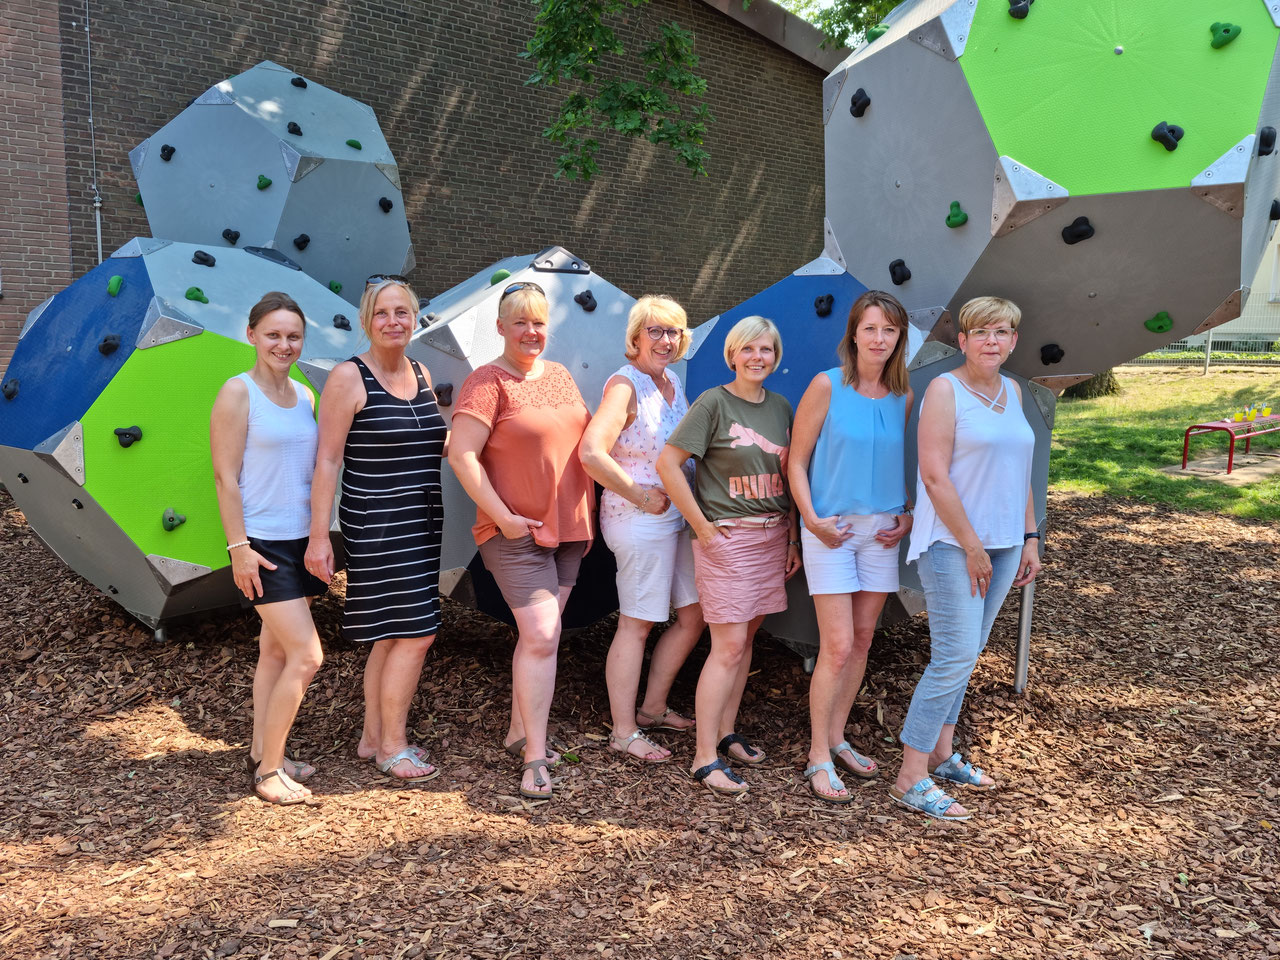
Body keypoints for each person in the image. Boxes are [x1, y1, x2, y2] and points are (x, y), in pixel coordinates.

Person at [890, 295, 1042, 821]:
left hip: (1003, 544)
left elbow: (1019, 470)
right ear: (963, 341)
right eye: (981, 333)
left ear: (1013, 339)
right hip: (952, 545)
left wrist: (1029, 537)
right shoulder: (944, 389)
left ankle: (941, 753)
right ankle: (911, 775)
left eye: (1002, 332)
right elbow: (933, 475)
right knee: (953, 656)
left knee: (969, 652)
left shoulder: (1014, 390)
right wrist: (973, 546)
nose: (992, 341)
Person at [448, 281, 595, 800]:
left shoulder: (558, 376)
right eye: (520, 322)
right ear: (501, 328)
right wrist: (503, 515)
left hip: (569, 530)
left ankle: (518, 731)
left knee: (543, 639)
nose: (531, 332)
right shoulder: (487, 382)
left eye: (539, 322)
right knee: (540, 637)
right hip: (515, 532)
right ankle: (534, 756)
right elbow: (461, 453)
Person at [305, 276, 448, 785]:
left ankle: (372, 737)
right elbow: (327, 461)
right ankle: (393, 745)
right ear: (367, 321)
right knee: (417, 633)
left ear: (415, 319)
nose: (393, 321)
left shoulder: (421, 371)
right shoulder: (350, 377)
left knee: (391, 636)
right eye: (383, 313)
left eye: (402, 312)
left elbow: (432, 442)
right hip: (378, 524)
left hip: (422, 519)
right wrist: (320, 537)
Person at [657, 316, 801, 796]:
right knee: (728, 646)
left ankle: (726, 731)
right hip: (728, 539)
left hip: (772, 536)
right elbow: (668, 464)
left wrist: (794, 539)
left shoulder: (781, 407)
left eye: (767, 349)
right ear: (732, 355)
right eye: (749, 350)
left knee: (747, 640)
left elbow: (790, 479)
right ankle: (704, 757)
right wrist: (701, 526)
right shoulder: (714, 403)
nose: (758, 358)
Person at [788, 290, 914, 804]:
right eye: (870, 329)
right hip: (830, 531)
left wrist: (905, 514)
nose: (879, 339)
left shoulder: (902, 396)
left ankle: (838, 738)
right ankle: (817, 754)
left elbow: (891, 468)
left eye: (889, 330)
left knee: (863, 641)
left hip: (881, 532)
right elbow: (795, 462)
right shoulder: (826, 385)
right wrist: (812, 521)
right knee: (836, 646)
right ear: (854, 334)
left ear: (898, 338)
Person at [211, 291, 327, 806]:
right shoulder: (237, 393)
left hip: (300, 540)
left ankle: (262, 749)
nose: (284, 344)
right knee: (308, 654)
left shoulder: (304, 395)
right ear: (252, 334)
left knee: (275, 650)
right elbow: (224, 477)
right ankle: (271, 773)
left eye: (294, 336)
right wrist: (238, 547)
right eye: (274, 334)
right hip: (261, 544)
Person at [579, 295, 706, 765]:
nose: (665, 340)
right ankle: (623, 730)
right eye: (655, 331)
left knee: (695, 615)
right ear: (635, 337)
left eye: (673, 331)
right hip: (640, 518)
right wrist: (639, 495)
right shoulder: (625, 384)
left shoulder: (672, 381)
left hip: (679, 518)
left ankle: (652, 708)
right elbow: (591, 452)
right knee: (637, 624)